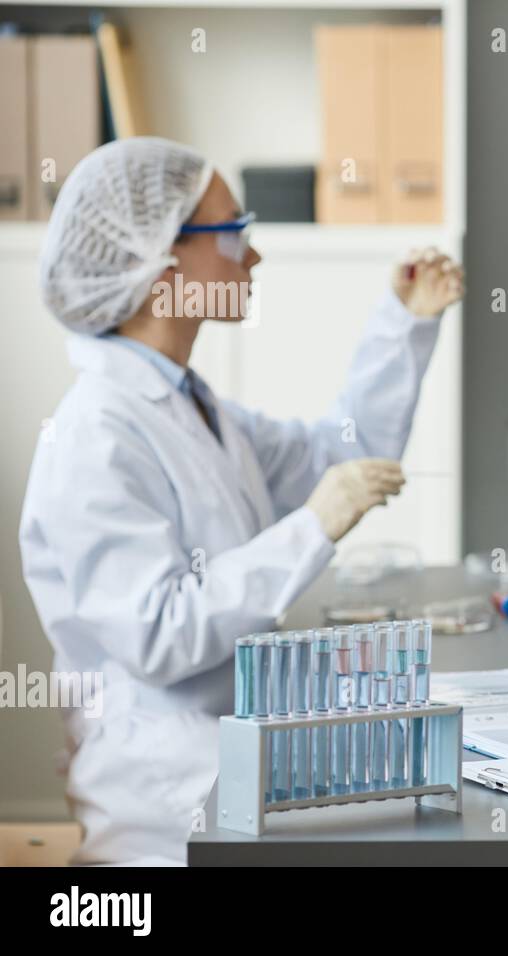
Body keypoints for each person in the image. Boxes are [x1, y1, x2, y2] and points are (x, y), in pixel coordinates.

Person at [19, 137, 464, 864]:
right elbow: (159, 635)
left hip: (234, 775)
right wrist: (312, 527)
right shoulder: (94, 436)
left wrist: (404, 324)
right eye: (232, 232)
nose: (251, 255)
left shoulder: (191, 404)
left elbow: (337, 456)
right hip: (165, 811)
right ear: (161, 262)